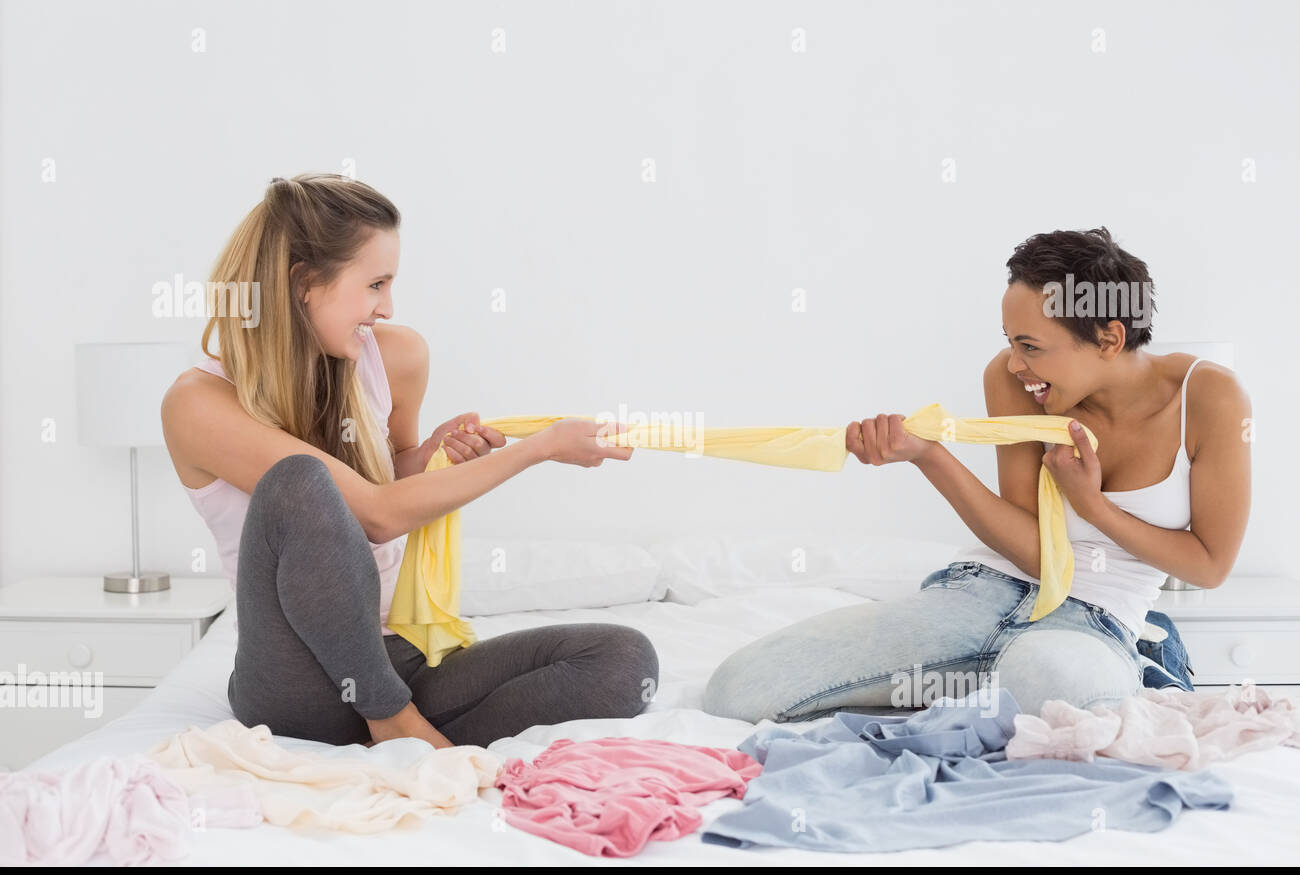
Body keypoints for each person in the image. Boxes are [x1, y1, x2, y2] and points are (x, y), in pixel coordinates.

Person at [162, 173, 658, 750]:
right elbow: (374, 514)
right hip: (296, 681)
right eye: (374, 284)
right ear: (303, 284)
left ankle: (398, 729)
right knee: (300, 482)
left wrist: (425, 458)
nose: (387, 306)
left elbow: (383, 487)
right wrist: (540, 448)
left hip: (397, 655)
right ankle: (393, 719)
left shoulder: (395, 357)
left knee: (624, 660)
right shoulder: (198, 403)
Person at [704, 227, 1251, 723]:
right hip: (979, 594)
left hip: (1090, 619)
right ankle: (975, 690)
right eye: (1011, 340)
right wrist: (928, 455)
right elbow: (1034, 552)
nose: (1015, 363)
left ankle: (998, 688)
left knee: (1049, 677)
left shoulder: (1209, 397)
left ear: (1109, 338)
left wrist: (1093, 507)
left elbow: (1208, 567)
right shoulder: (1014, 380)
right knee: (738, 690)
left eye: (1031, 346)